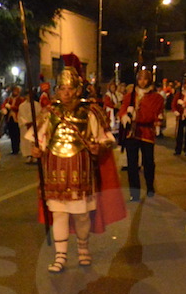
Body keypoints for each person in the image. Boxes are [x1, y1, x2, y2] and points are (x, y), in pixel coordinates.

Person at [33, 70, 125, 272]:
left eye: (70, 89)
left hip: (80, 167)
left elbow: (107, 139)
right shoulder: (49, 112)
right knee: (59, 213)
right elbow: (39, 139)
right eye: (62, 89)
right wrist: (36, 150)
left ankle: (83, 248)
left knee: (81, 215)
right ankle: (60, 256)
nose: (66, 93)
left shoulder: (90, 112)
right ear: (57, 90)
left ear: (76, 90)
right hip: (55, 168)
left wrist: (98, 147)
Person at [119, 69, 163, 201]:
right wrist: (124, 116)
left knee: (148, 162)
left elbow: (153, 114)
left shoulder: (156, 98)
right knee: (132, 164)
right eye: (140, 79)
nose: (142, 82)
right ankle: (135, 193)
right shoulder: (130, 95)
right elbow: (123, 109)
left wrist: (137, 116)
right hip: (131, 134)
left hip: (146, 133)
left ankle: (150, 187)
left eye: (145, 79)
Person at [3, 85, 23, 155]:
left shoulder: (21, 99)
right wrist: (4, 108)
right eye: (14, 91)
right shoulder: (8, 99)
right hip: (10, 119)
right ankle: (13, 148)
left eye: (16, 91)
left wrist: (11, 107)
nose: (15, 92)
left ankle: (17, 148)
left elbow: (20, 108)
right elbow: (4, 105)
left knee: (17, 134)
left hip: (17, 119)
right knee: (11, 134)